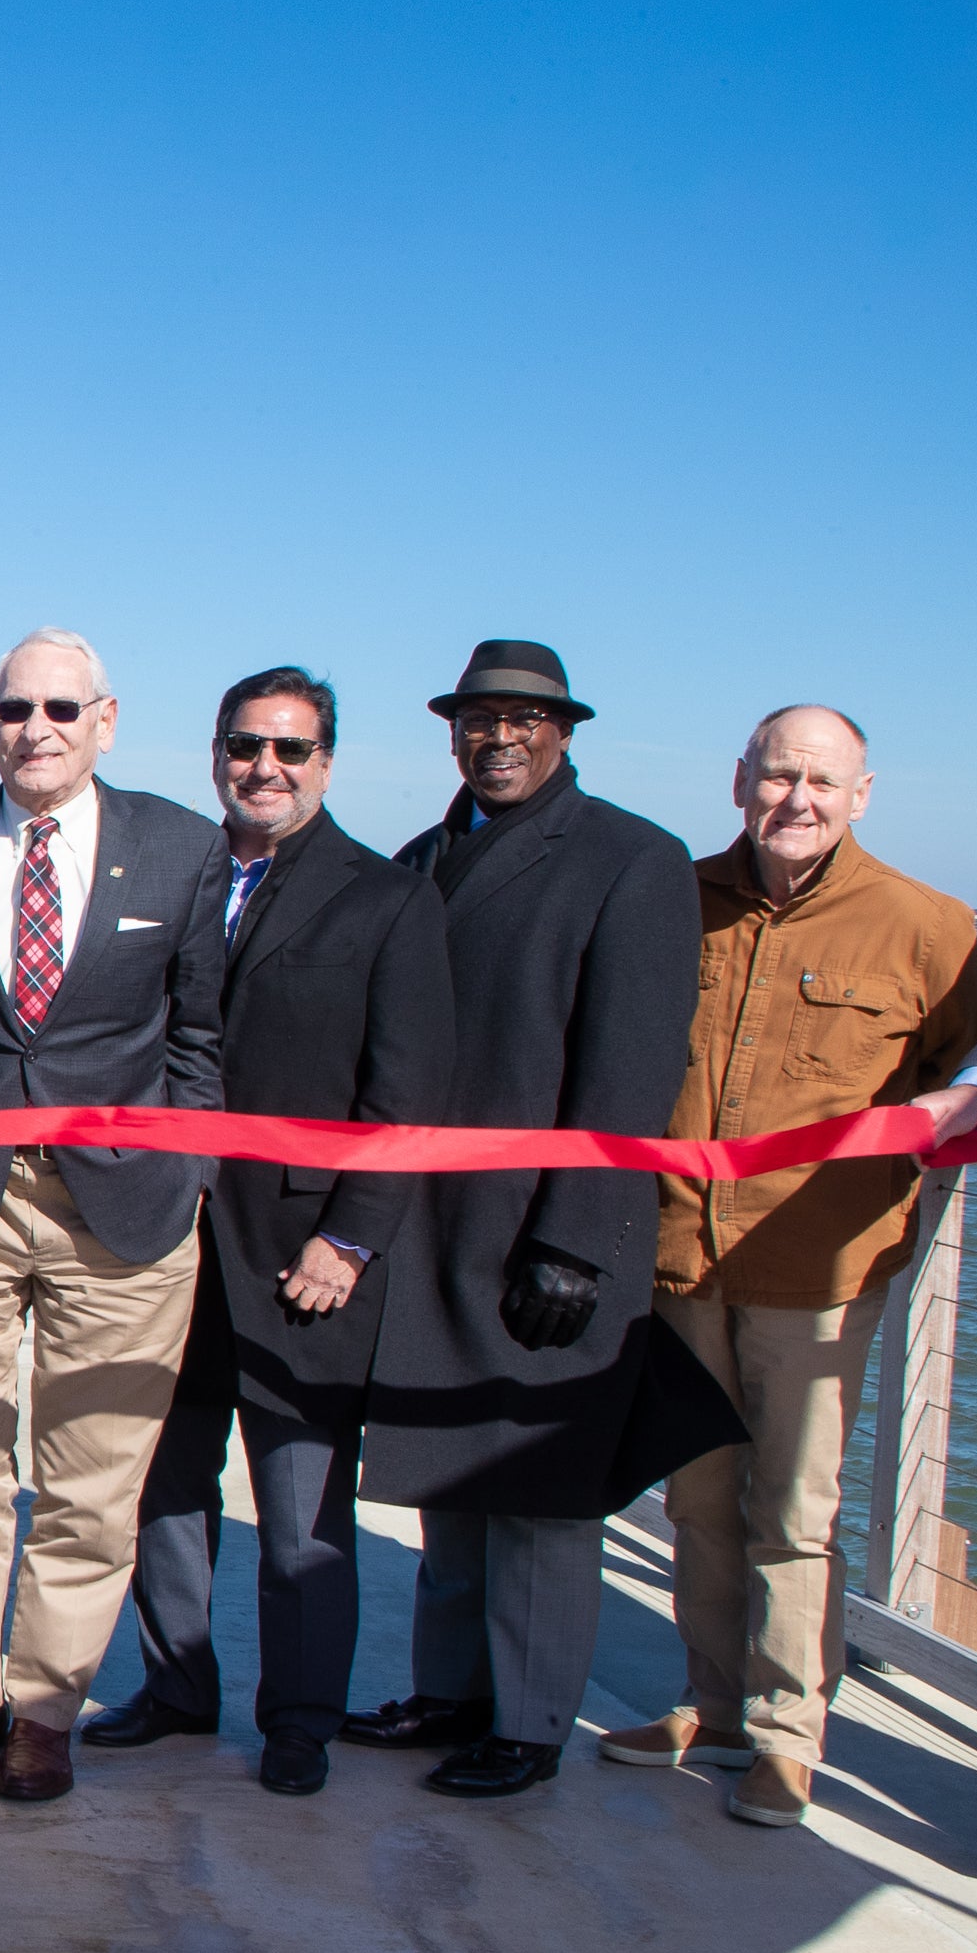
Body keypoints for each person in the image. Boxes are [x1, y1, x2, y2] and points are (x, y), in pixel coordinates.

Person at [352, 641, 743, 1801]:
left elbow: (631, 1068)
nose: (501, 738)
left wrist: (577, 1237)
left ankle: (529, 1723)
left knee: (538, 1490)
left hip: (549, 1236)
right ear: (452, 732)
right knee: (450, 1483)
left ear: (564, 733)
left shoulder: (633, 860)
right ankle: (452, 1692)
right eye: (480, 718)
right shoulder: (419, 861)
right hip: (436, 1228)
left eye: (526, 718)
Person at [618, 705, 977, 1826]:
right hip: (683, 1258)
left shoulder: (924, 927)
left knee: (796, 1509)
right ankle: (714, 1704)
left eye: (822, 783)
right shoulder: (673, 901)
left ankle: (790, 1734)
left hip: (817, 1275)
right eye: (779, 776)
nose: (797, 800)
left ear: (862, 795)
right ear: (740, 780)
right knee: (697, 1501)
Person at [0, 628, 229, 1802]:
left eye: (62, 711)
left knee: (90, 1482)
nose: (38, 729)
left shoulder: (185, 850)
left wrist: (188, 1176)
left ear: (107, 720)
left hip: (123, 1212)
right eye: (16, 708)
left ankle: (44, 1708)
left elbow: (200, 1038)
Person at [86, 670, 454, 1797]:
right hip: (167, 1240)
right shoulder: (180, 873)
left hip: (304, 1258)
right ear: (215, 753)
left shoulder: (386, 899)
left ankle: (300, 1720)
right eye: (246, 745)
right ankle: (178, 1690)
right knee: (165, 1489)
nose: (266, 768)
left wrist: (350, 1241)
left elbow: (408, 1097)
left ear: (327, 764)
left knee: (299, 1516)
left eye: (292, 750)